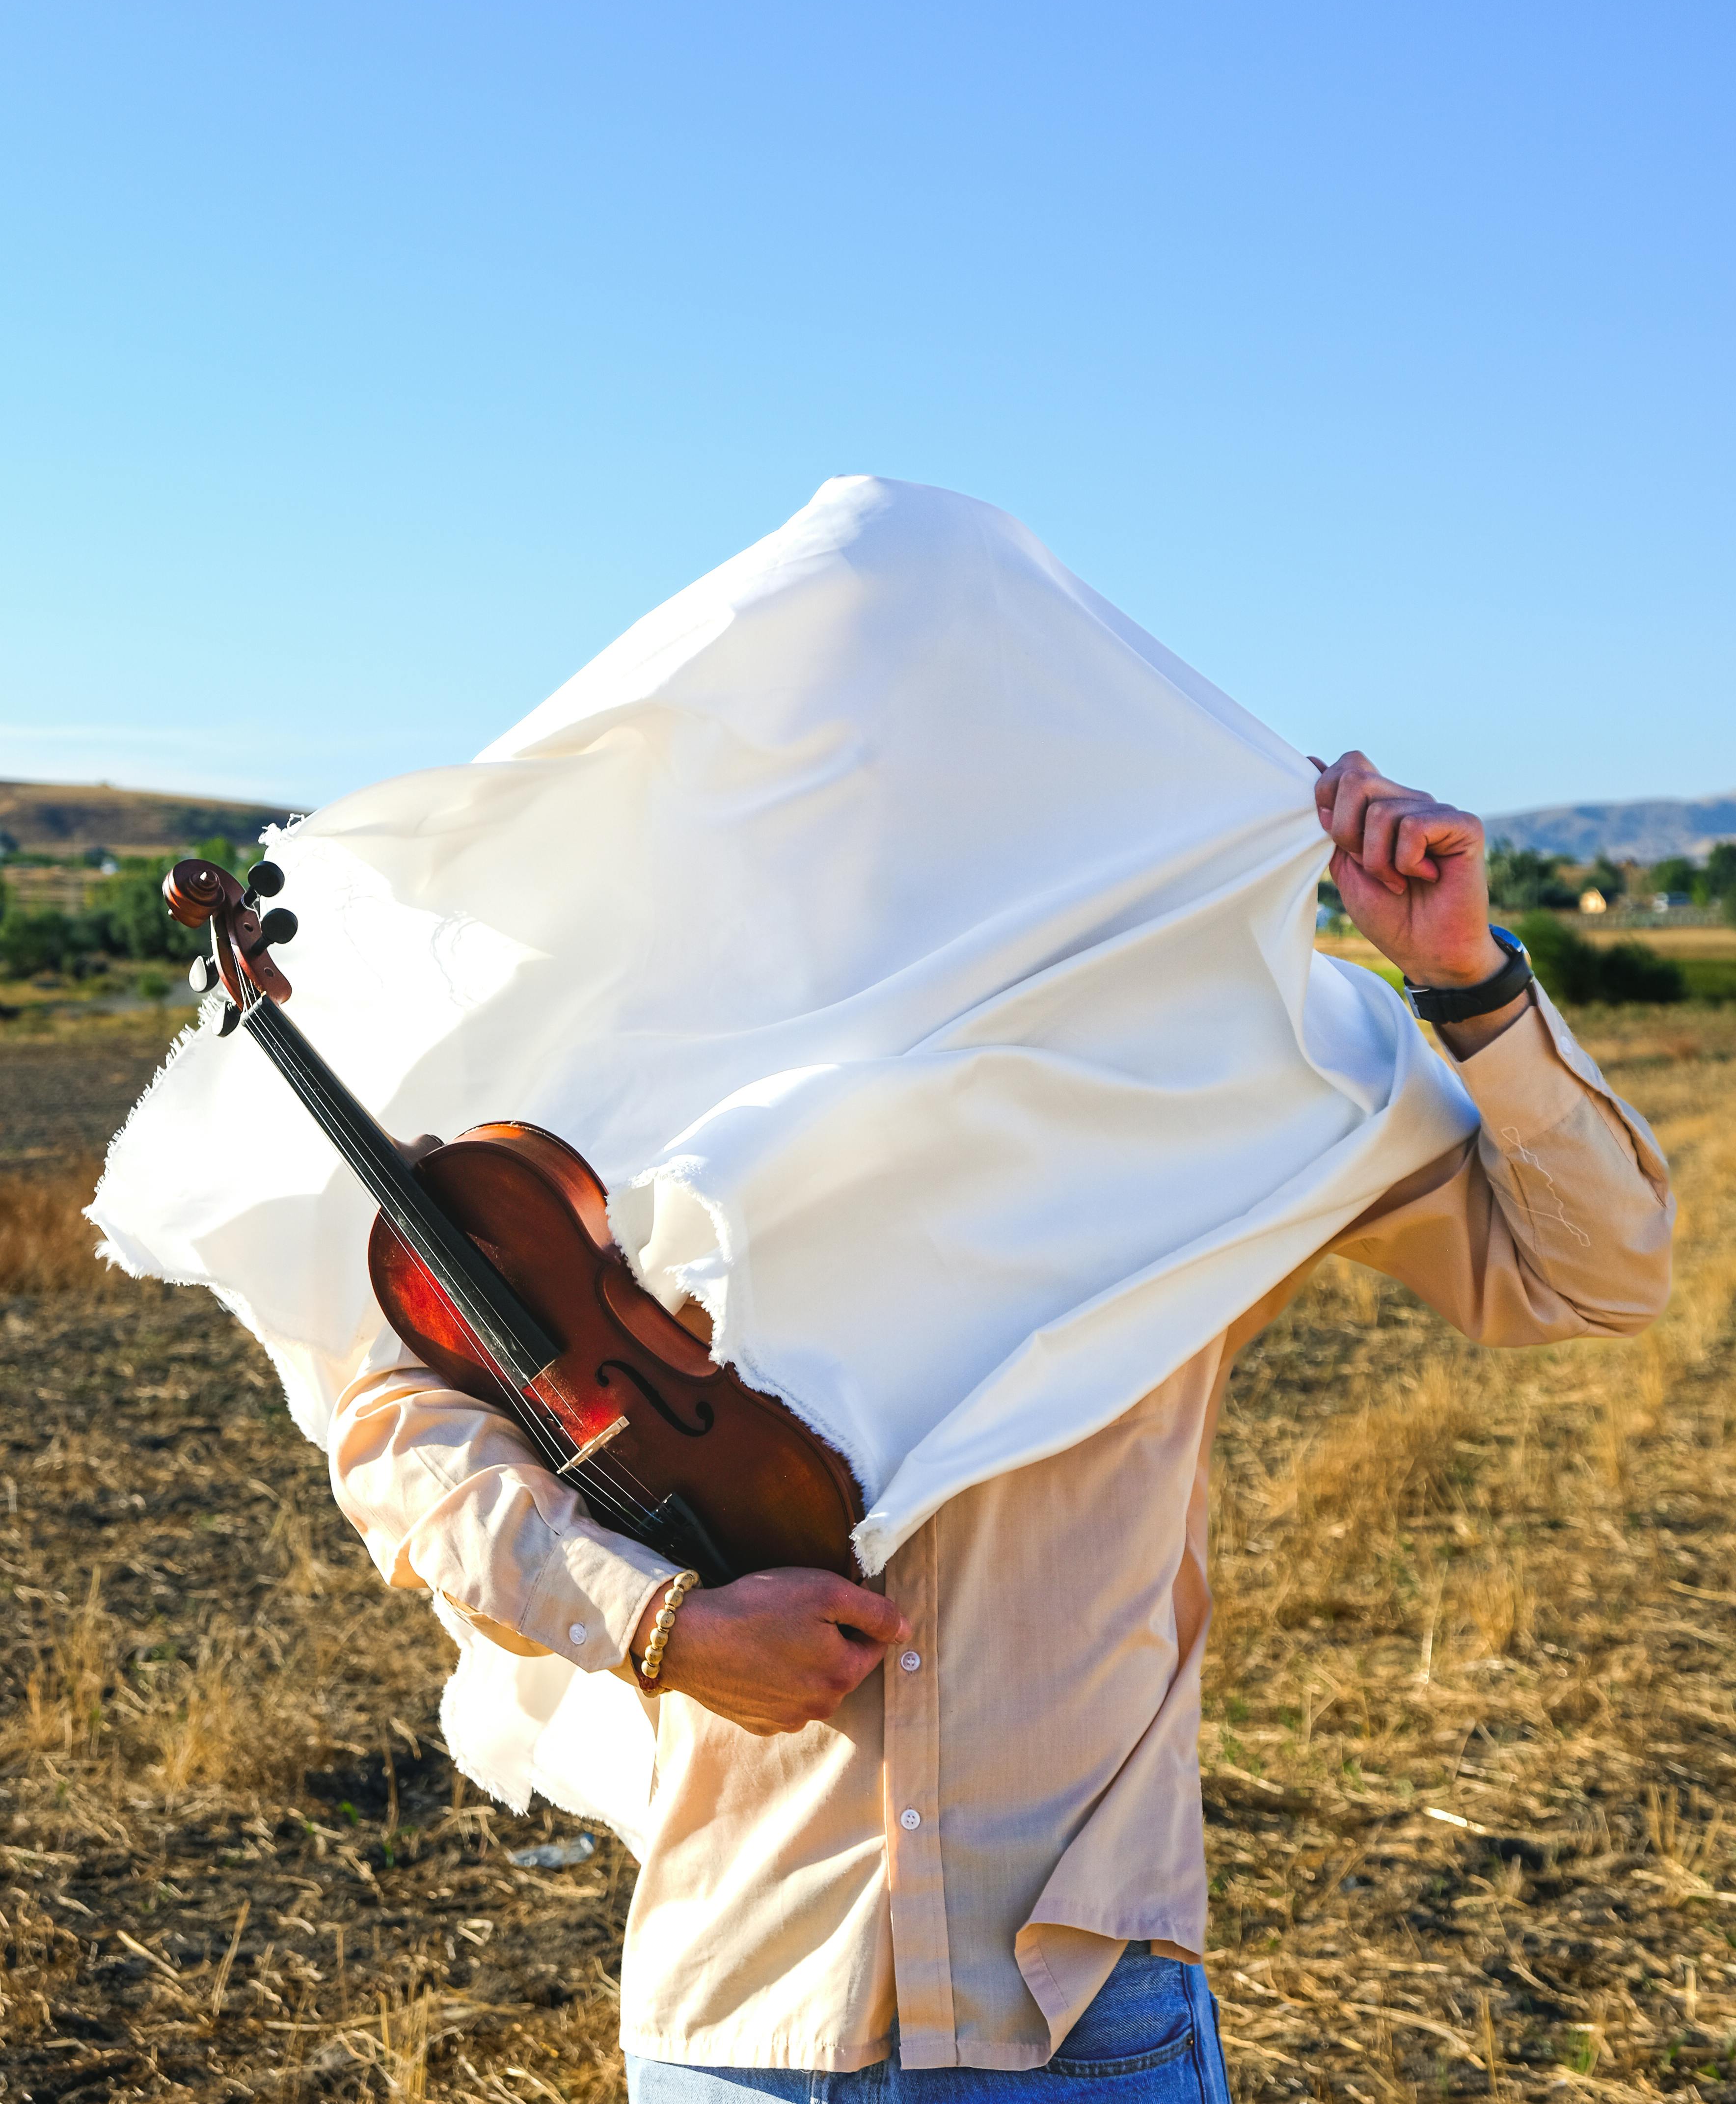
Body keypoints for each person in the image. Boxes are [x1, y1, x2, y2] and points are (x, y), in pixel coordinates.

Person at [332, 752, 1672, 2104]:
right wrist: (657, 1622)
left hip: (1083, 2006)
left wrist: (1467, 977)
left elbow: (1596, 1272)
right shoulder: (667, 1070)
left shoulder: (1241, 1086)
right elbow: (398, 1427)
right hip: (749, 2012)